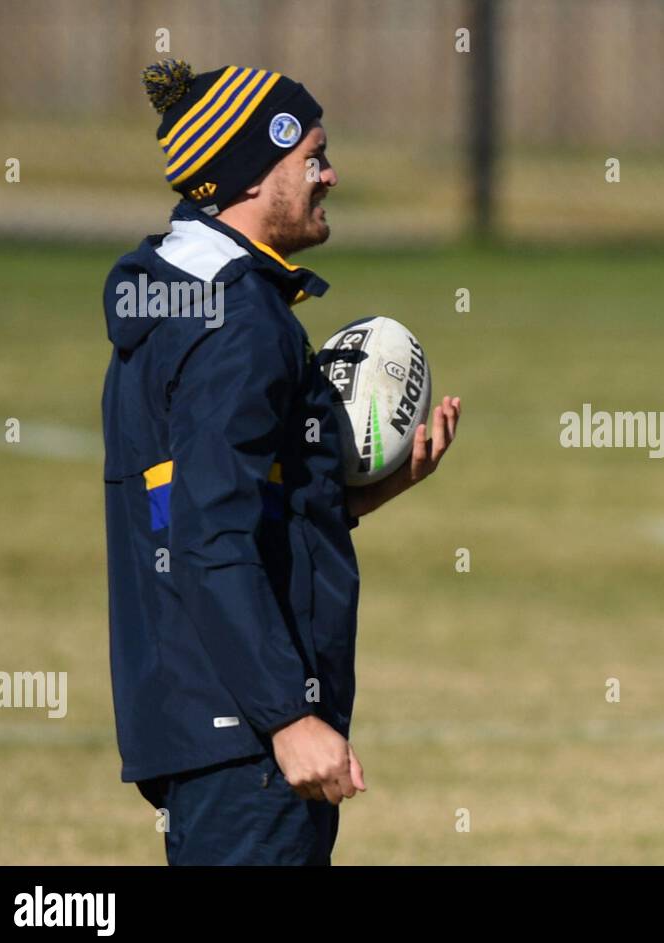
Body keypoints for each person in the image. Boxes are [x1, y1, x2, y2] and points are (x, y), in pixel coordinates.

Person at [101, 59, 461, 864]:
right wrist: (287, 718)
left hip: (201, 718)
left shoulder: (175, 297)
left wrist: (361, 491)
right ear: (255, 175)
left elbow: (191, 506)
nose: (330, 174)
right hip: (248, 738)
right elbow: (207, 534)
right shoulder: (241, 321)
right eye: (313, 158)